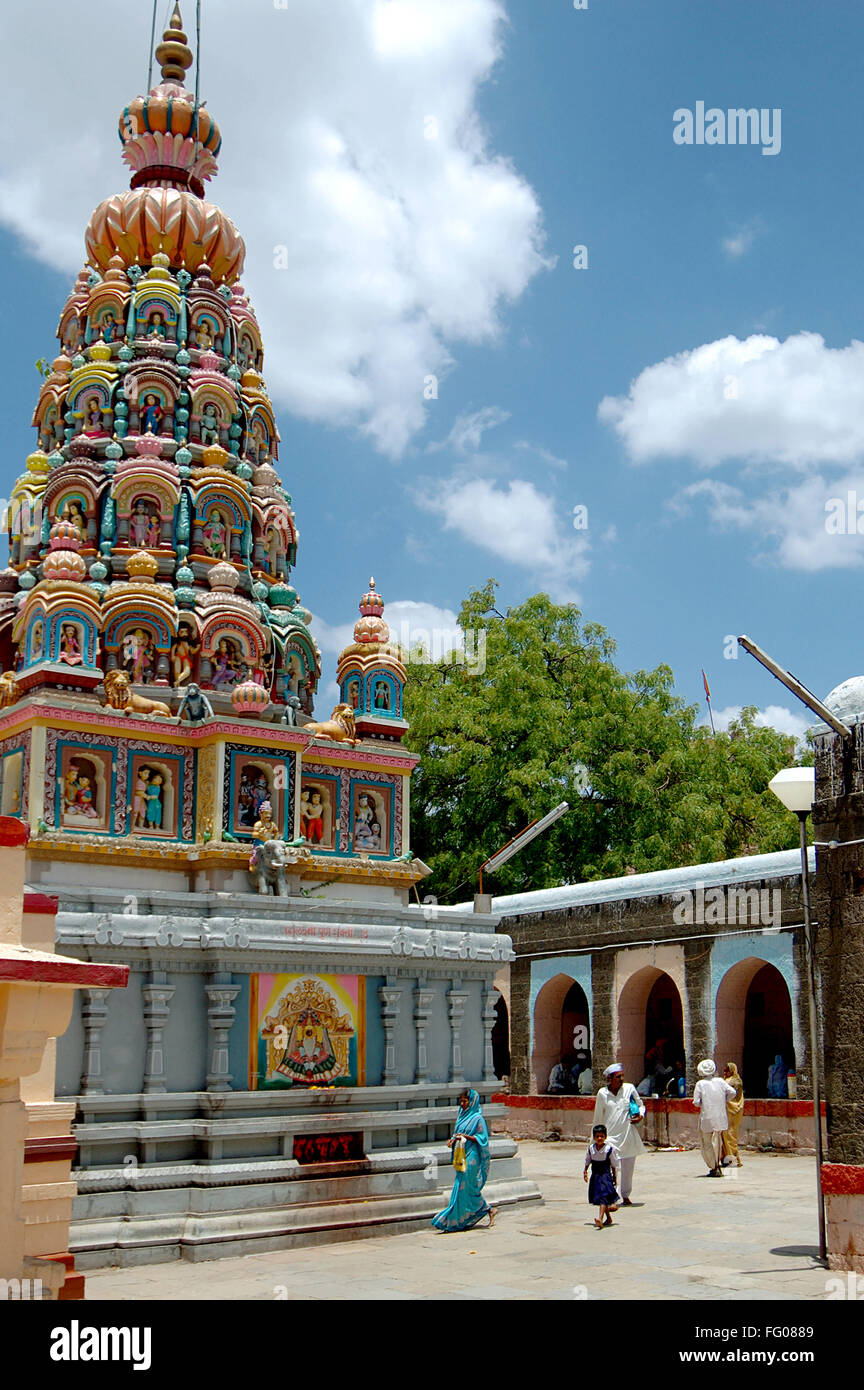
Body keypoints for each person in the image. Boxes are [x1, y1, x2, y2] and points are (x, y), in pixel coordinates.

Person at [431, 1088, 496, 1233]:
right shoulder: (461, 1116)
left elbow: (483, 1138)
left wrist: (466, 1137)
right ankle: (484, 1210)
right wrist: (452, 1140)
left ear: (472, 1102)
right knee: (465, 1187)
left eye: (465, 1101)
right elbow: (457, 1134)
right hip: (461, 1155)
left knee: (464, 1187)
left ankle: (455, 1219)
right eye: (461, 1101)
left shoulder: (478, 1118)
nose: (462, 1104)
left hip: (472, 1156)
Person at [592, 1063, 645, 1205]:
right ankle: (611, 1197)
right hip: (610, 1137)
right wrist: (595, 1141)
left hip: (627, 1135)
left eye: (622, 1076)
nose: (621, 1079)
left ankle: (626, 1195)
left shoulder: (629, 1089)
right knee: (611, 1169)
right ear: (610, 1079)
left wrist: (640, 1115)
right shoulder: (602, 1094)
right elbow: (598, 1117)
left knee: (628, 1169)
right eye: (618, 1077)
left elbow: (640, 1105)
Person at [692, 1059, 735, 1176]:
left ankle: (714, 1167)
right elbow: (732, 1092)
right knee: (717, 1142)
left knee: (707, 1143)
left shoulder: (700, 1084)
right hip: (720, 1117)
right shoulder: (720, 1081)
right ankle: (717, 1165)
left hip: (707, 1117)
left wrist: (704, 1103)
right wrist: (723, 1100)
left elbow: (696, 1102)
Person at [583, 1124, 621, 1228]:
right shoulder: (591, 1149)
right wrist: (585, 1172)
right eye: (597, 1136)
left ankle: (600, 1218)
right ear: (594, 1137)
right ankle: (608, 1218)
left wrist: (614, 1177)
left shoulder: (609, 1149)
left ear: (605, 1137)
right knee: (600, 1198)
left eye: (602, 1136)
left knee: (603, 1196)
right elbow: (587, 1161)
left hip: (605, 1176)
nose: (599, 1138)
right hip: (595, 1176)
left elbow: (613, 1164)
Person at [721, 1062, 744, 1167]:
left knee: (731, 1135)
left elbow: (734, 1097)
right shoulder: (725, 1081)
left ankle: (733, 1158)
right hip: (726, 1111)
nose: (725, 1072)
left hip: (733, 1111)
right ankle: (726, 1157)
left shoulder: (736, 1081)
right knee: (724, 1134)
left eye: (727, 1070)